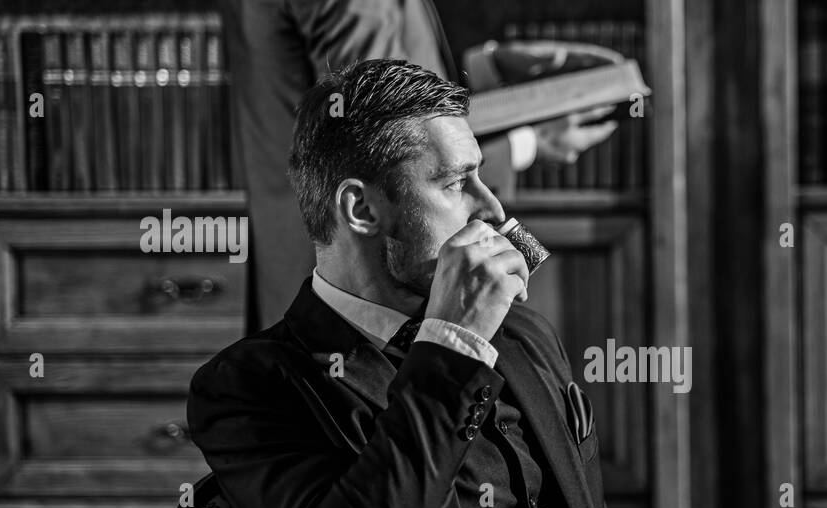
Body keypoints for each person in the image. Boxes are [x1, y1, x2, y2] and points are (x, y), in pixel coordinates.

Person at [187, 58, 716, 508]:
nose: (493, 210)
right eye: (458, 184)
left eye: (482, 178)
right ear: (362, 209)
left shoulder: (522, 331)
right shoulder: (252, 385)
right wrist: (452, 345)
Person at [220, 0, 619, 329]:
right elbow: (388, 143)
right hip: (369, 308)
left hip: (303, 282)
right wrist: (529, 142)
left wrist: (486, 69)